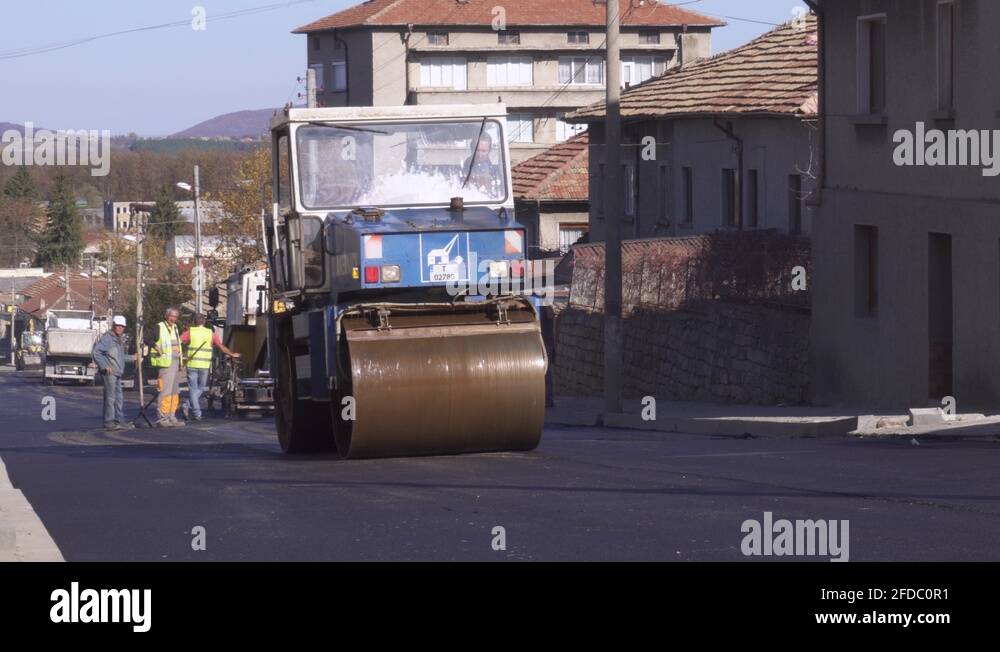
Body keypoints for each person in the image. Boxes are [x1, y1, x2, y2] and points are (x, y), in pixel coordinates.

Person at [180, 314, 241, 421]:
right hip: (204, 366)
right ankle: (196, 413)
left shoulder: (190, 332)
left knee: (193, 389)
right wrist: (232, 354)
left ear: (194, 322)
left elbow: (178, 342)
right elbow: (221, 347)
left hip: (192, 364)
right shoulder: (210, 334)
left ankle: (187, 404)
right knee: (200, 388)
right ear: (204, 322)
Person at [92, 315, 134, 431]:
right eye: (118, 326)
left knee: (118, 398)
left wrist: (132, 357)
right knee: (110, 398)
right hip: (110, 373)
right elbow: (96, 352)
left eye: (122, 326)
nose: (120, 328)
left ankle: (118, 420)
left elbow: (119, 357)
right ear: (113, 326)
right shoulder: (108, 338)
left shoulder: (118, 339)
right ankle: (109, 422)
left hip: (117, 373)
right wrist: (104, 366)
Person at [147, 307, 184, 427]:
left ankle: (171, 416)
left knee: (174, 392)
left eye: (175, 317)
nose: (173, 319)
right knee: (165, 392)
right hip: (165, 364)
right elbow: (147, 339)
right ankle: (162, 418)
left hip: (175, 363)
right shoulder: (159, 327)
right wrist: (156, 347)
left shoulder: (175, 328)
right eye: (171, 316)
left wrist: (181, 362)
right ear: (166, 316)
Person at [461, 132, 502, 197]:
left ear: (489, 151)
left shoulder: (496, 172)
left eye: (483, 151)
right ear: (471, 149)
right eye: (477, 150)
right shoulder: (461, 171)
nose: (480, 155)